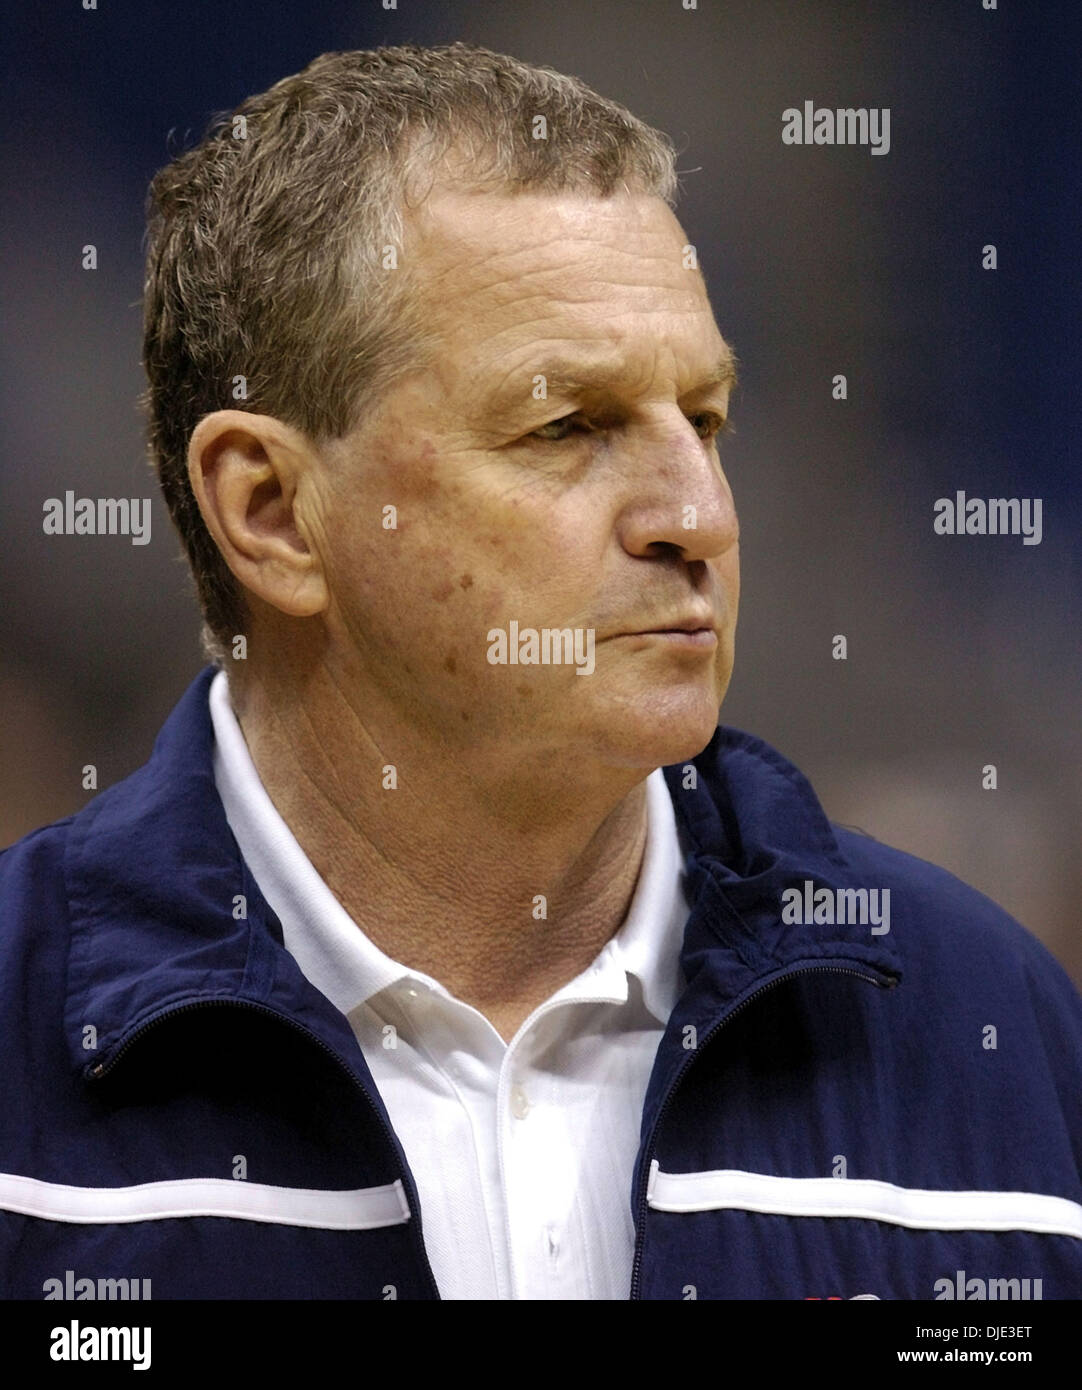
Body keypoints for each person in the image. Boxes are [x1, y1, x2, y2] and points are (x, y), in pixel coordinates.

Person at [1, 42, 1080, 1302]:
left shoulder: (986, 1025)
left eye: (706, 418)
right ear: (275, 512)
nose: (698, 512)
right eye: (566, 425)